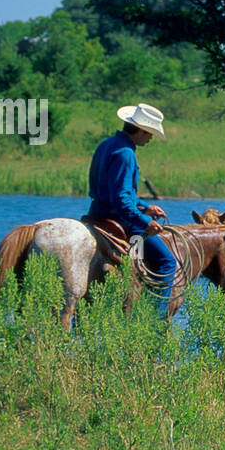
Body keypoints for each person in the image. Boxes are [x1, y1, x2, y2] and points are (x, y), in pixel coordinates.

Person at [87, 103, 176, 311]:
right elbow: (121, 201)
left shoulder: (107, 144)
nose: (151, 138)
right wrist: (146, 221)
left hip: (95, 212)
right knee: (167, 262)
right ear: (142, 130)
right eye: (150, 133)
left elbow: (117, 192)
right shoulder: (126, 153)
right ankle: (155, 322)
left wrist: (146, 206)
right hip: (118, 218)